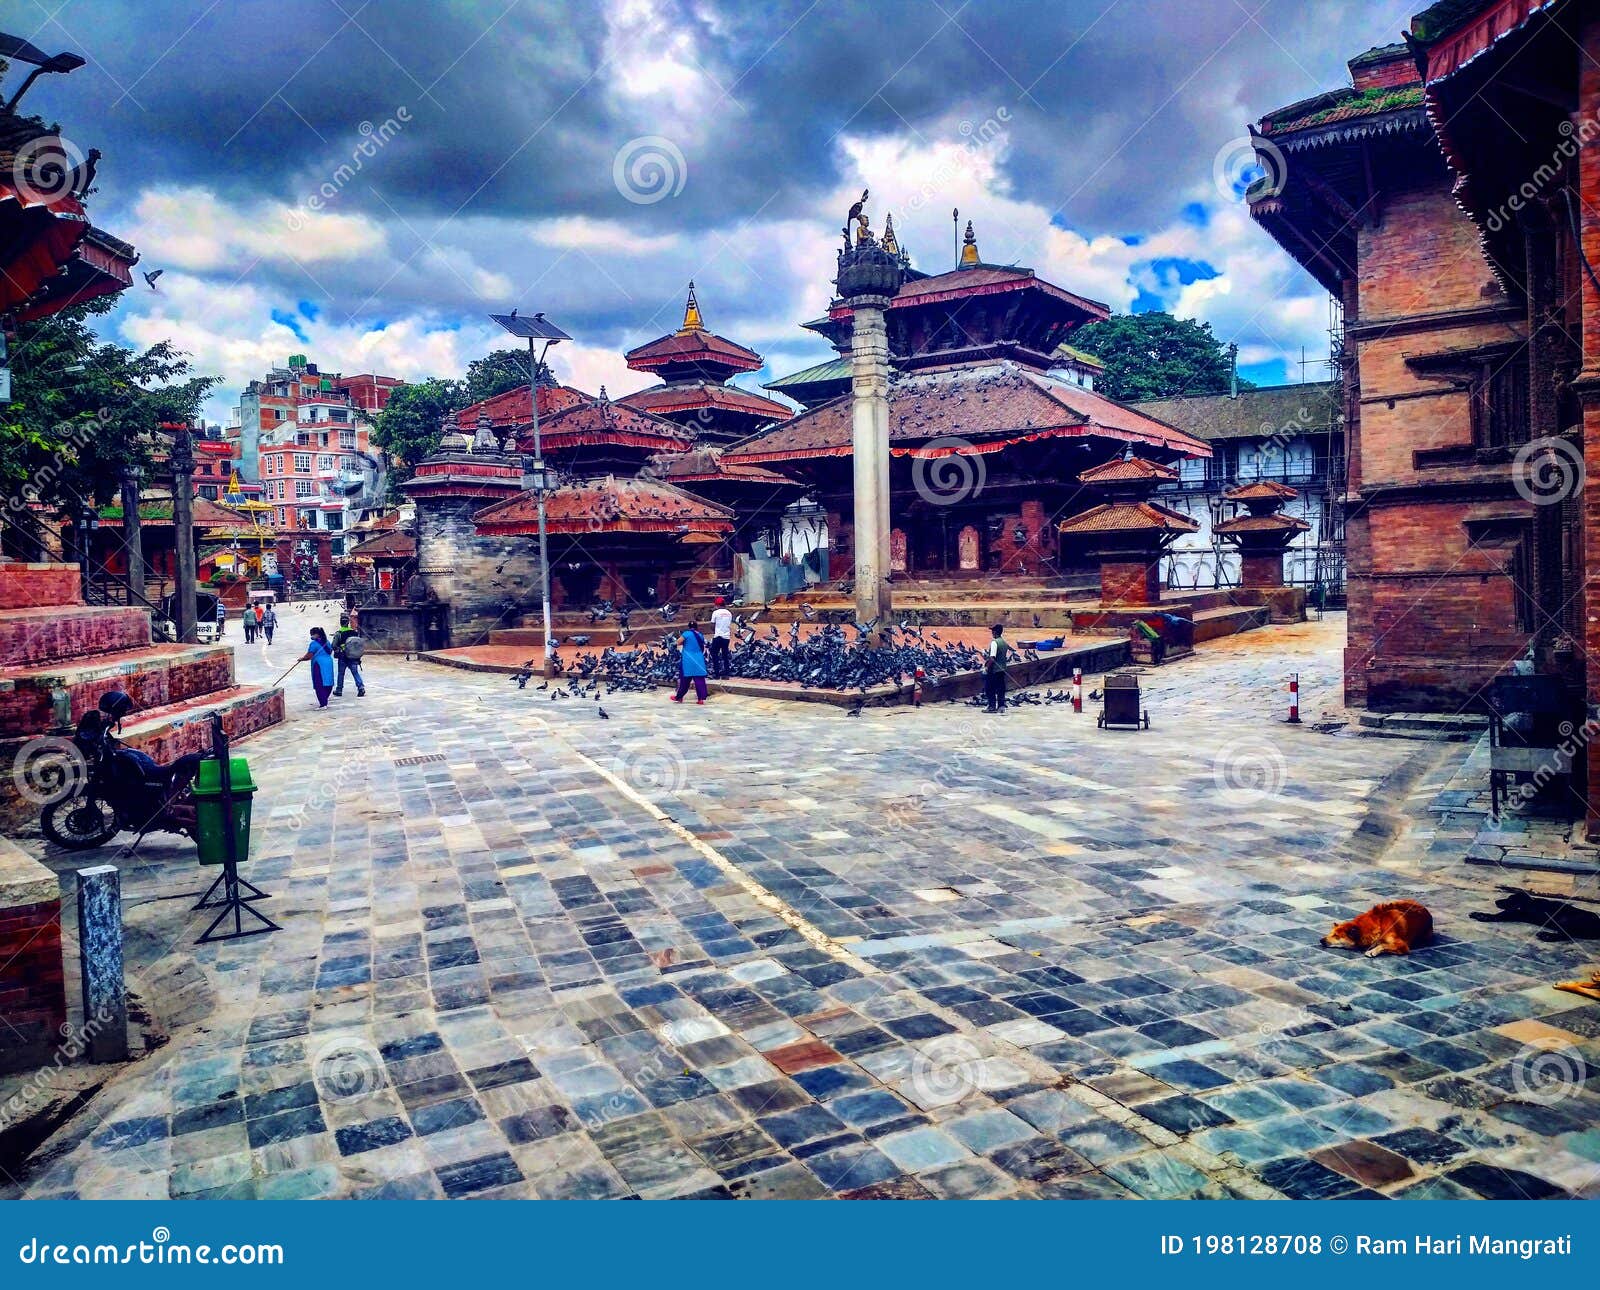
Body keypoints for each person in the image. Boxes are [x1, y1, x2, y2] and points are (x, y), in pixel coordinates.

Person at [672, 620, 709, 705]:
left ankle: (679, 697)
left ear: (688, 627)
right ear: (697, 627)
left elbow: (678, 642)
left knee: (684, 680)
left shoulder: (686, 634)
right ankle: (700, 699)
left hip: (688, 659)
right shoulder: (700, 635)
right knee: (699, 680)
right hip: (699, 659)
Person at [298, 627, 336, 708]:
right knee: (328, 682)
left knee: (319, 684)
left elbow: (309, 655)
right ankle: (324, 699)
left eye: (312, 634)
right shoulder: (327, 642)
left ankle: (323, 704)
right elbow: (330, 651)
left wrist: (302, 658)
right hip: (329, 663)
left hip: (319, 664)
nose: (311, 636)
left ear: (316, 634)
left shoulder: (314, 644)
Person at [331, 613, 366, 697]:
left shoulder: (338, 633)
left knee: (341, 673)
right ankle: (361, 687)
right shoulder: (354, 632)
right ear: (348, 623)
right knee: (355, 672)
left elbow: (333, 645)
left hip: (343, 657)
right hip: (353, 657)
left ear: (340, 623)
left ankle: (339, 690)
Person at [984, 622, 1012, 713]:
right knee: (1000, 688)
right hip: (1002, 669)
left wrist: (987, 668)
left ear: (995, 632)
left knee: (989, 688)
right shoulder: (1004, 642)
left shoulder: (994, 643)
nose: (992, 633)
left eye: (992, 631)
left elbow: (992, 658)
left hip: (994, 670)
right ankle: (1001, 706)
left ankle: (991, 707)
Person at [709, 596, 733, 679]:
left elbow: (712, 625)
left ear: (717, 605)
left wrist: (715, 631)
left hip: (718, 636)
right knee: (725, 655)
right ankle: (726, 674)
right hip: (726, 637)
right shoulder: (729, 613)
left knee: (714, 654)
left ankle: (717, 673)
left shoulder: (715, 613)